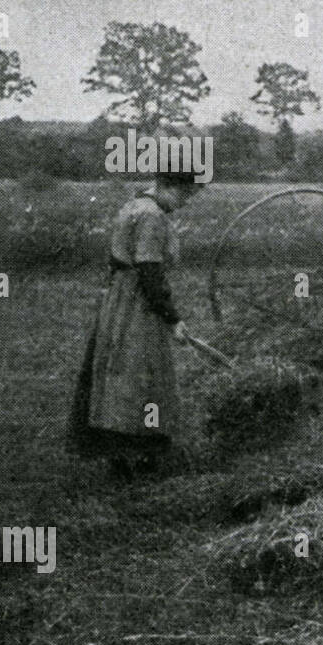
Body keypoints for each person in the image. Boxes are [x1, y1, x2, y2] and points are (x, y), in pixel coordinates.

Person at [68, 170, 203, 479]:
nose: (184, 203)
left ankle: (121, 454)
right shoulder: (152, 215)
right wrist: (173, 318)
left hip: (121, 299)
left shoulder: (135, 205)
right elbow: (149, 271)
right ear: (167, 186)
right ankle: (139, 454)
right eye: (184, 195)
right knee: (141, 377)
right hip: (139, 303)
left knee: (117, 373)